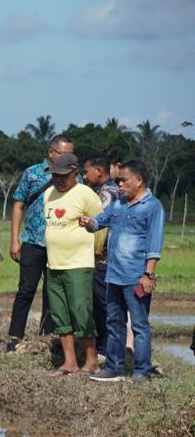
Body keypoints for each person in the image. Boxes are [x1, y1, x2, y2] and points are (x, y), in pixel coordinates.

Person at [83, 159, 165, 383]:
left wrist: (148, 274)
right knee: (114, 322)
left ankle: (141, 371)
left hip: (136, 277)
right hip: (113, 275)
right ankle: (113, 367)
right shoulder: (118, 204)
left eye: (123, 180)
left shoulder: (152, 206)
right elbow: (100, 221)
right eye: (118, 180)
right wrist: (89, 222)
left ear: (139, 180)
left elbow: (154, 244)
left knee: (139, 325)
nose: (119, 185)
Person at [5, 134, 74, 351]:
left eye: (71, 154)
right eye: (64, 154)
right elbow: (18, 205)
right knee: (26, 290)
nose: (68, 158)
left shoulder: (74, 176)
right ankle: (14, 337)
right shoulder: (32, 173)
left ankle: (47, 337)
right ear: (51, 152)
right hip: (33, 241)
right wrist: (14, 239)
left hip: (60, 244)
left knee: (52, 292)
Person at [40, 153, 103, 377]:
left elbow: (101, 225)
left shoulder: (85, 194)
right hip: (54, 264)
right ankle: (69, 362)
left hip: (79, 263)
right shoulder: (48, 194)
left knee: (81, 312)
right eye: (55, 175)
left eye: (63, 175)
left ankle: (91, 362)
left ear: (75, 173)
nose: (58, 179)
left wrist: (95, 252)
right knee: (60, 314)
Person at [83, 154, 122, 368]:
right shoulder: (106, 191)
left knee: (103, 304)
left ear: (99, 171)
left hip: (104, 259)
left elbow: (104, 226)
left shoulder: (107, 193)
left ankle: (106, 350)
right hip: (105, 259)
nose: (84, 175)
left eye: (87, 170)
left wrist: (96, 251)